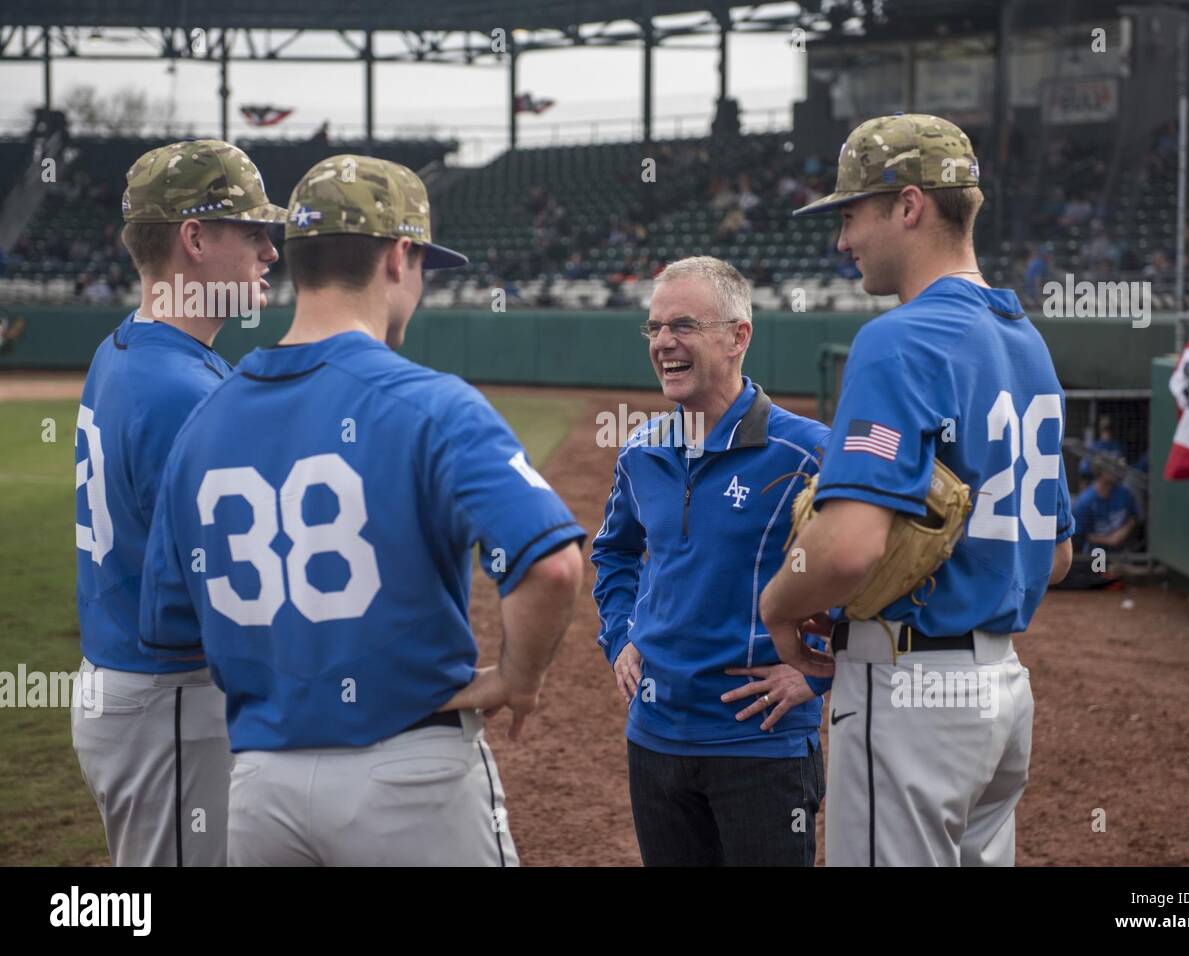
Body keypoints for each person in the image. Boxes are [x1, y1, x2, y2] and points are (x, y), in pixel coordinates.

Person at [138, 155, 586, 866]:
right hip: (410, 778)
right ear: (399, 255)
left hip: (259, 788)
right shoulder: (432, 404)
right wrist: (515, 680)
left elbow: (168, 625)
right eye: (422, 265)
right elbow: (553, 566)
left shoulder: (203, 422)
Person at [760, 113, 1074, 867]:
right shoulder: (1026, 342)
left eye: (851, 214)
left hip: (911, 694)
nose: (842, 241)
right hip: (1002, 697)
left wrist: (777, 607)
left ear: (909, 205)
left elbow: (849, 547)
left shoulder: (901, 337)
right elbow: (1058, 556)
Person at [72, 139, 286, 866]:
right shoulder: (181, 389)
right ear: (194, 239)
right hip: (167, 698)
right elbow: (232, 592)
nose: (271, 252)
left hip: (135, 690)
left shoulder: (131, 350)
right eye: (253, 232)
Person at [591, 256, 832, 866]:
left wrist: (820, 672)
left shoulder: (806, 453)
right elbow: (615, 552)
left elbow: (875, 569)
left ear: (737, 337)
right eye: (654, 328)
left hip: (761, 746)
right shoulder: (641, 451)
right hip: (655, 738)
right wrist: (620, 636)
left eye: (683, 325)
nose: (664, 342)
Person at [1072, 464, 1140, 553]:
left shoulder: (1124, 493)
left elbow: (1134, 516)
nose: (1116, 471)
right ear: (1102, 472)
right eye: (1113, 468)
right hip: (1095, 550)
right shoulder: (1085, 501)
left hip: (1122, 547)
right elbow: (1079, 535)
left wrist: (1122, 532)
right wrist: (1108, 539)